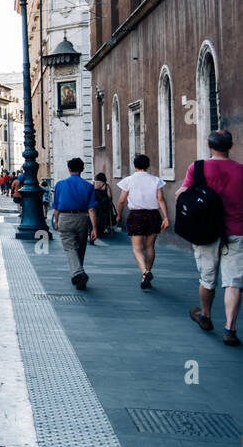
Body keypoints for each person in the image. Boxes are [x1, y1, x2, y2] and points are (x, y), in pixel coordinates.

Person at [177, 130, 243, 347]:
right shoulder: (241, 170)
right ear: (230, 146)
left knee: (208, 279)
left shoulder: (197, 168)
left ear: (209, 145)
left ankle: (205, 316)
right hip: (236, 231)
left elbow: (181, 195)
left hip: (206, 232)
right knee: (233, 282)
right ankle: (230, 329)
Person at [117, 154, 169, 289]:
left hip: (136, 215)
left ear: (134, 166)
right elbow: (161, 199)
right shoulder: (156, 180)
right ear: (148, 165)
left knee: (137, 247)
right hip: (153, 215)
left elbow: (122, 200)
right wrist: (166, 217)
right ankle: (146, 274)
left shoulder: (128, 180)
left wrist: (119, 215)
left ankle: (145, 272)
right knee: (150, 247)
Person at [51, 157, 99, 291]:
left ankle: (78, 273)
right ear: (82, 170)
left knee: (70, 247)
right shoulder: (88, 186)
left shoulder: (60, 185)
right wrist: (94, 228)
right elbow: (91, 209)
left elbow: (56, 207)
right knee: (80, 247)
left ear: (69, 169)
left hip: (65, 217)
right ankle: (78, 275)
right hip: (82, 217)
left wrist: (56, 220)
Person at [92, 172, 117, 237]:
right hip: (103, 204)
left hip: (95, 203)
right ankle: (102, 229)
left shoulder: (93, 183)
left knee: (95, 215)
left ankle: (94, 229)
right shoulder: (106, 185)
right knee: (104, 216)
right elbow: (109, 196)